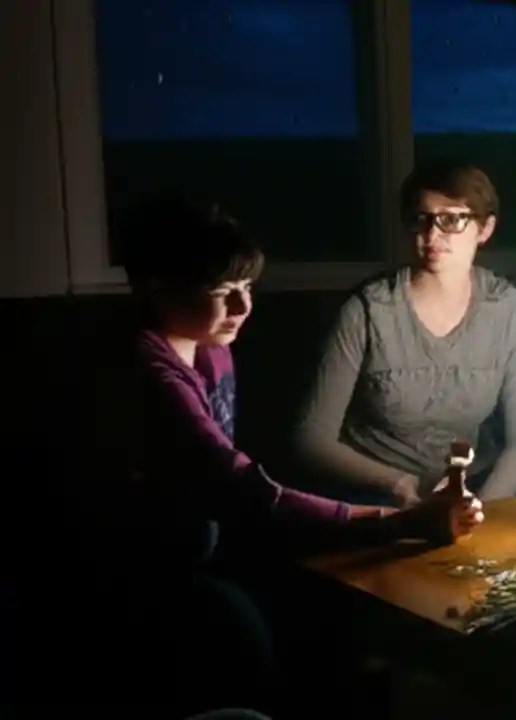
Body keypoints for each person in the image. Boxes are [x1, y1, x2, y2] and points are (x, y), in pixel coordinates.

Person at [94, 197, 483, 717]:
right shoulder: (149, 374)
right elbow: (240, 487)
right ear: (159, 289)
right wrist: (399, 522)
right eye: (221, 293)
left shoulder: (210, 345)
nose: (242, 308)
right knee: (252, 637)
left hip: (210, 545)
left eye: (247, 289)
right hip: (142, 572)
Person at [294, 160, 516, 506]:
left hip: (472, 485)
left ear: (484, 228)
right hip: (379, 488)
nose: (432, 236)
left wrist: (484, 505)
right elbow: (311, 439)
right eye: (421, 219)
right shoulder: (368, 310)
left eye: (451, 219)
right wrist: (397, 485)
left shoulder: (509, 311)